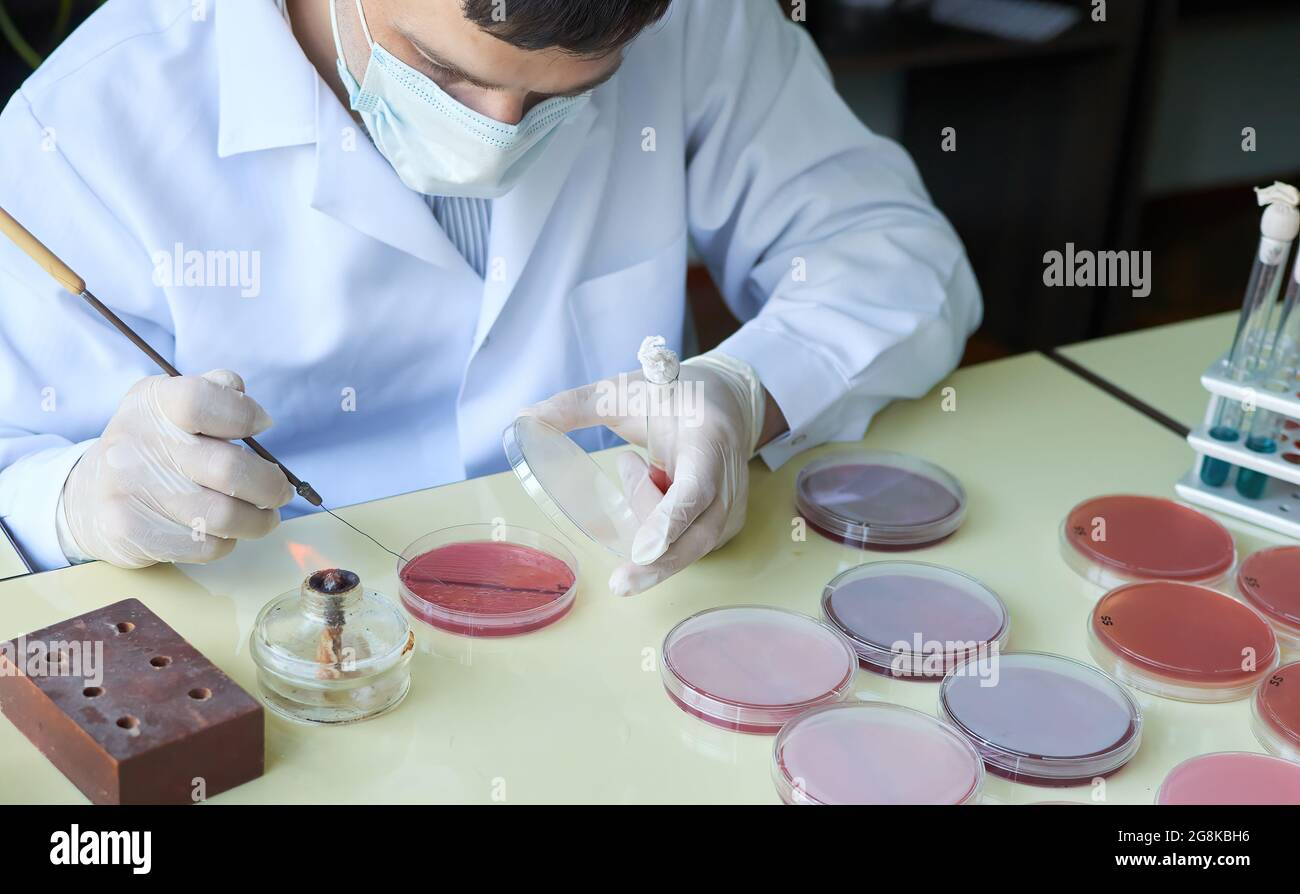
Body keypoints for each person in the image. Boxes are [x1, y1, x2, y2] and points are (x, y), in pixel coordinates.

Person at [0, 0, 980, 595]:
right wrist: (79, 503)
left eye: (563, 97)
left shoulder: (698, 21)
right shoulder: (89, 120)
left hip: (624, 601)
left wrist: (742, 391)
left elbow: (887, 253)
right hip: (292, 656)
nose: (500, 132)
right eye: (440, 70)